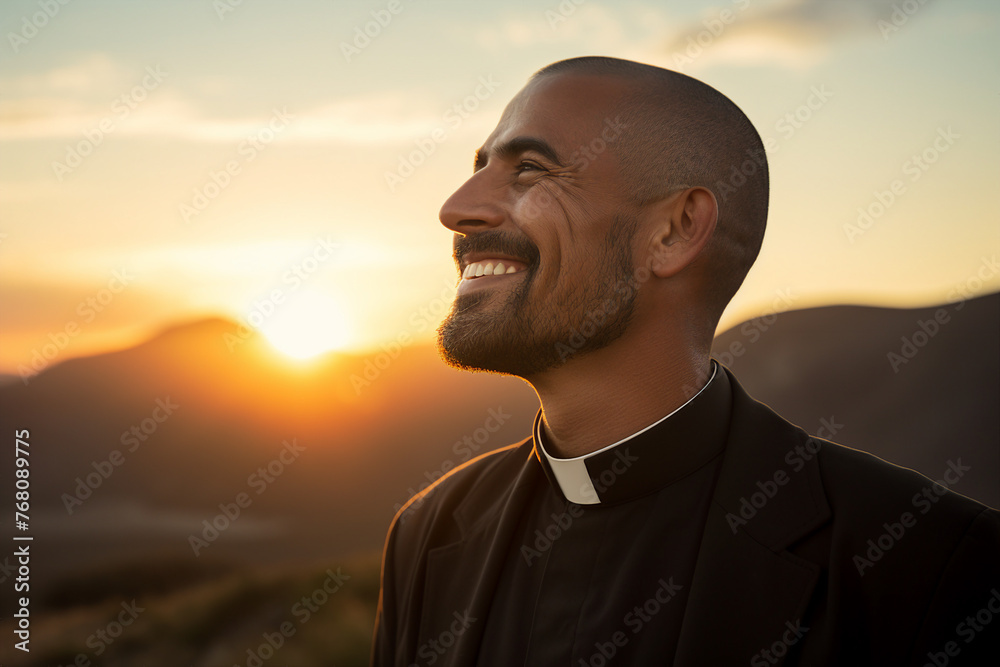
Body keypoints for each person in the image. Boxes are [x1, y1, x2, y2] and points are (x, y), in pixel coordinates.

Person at [370, 56, 1000, 666]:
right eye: (478, 167)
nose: (456, 209)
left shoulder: (936, 563)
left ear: (674, 232)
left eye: (531, 170)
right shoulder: (429, 534)